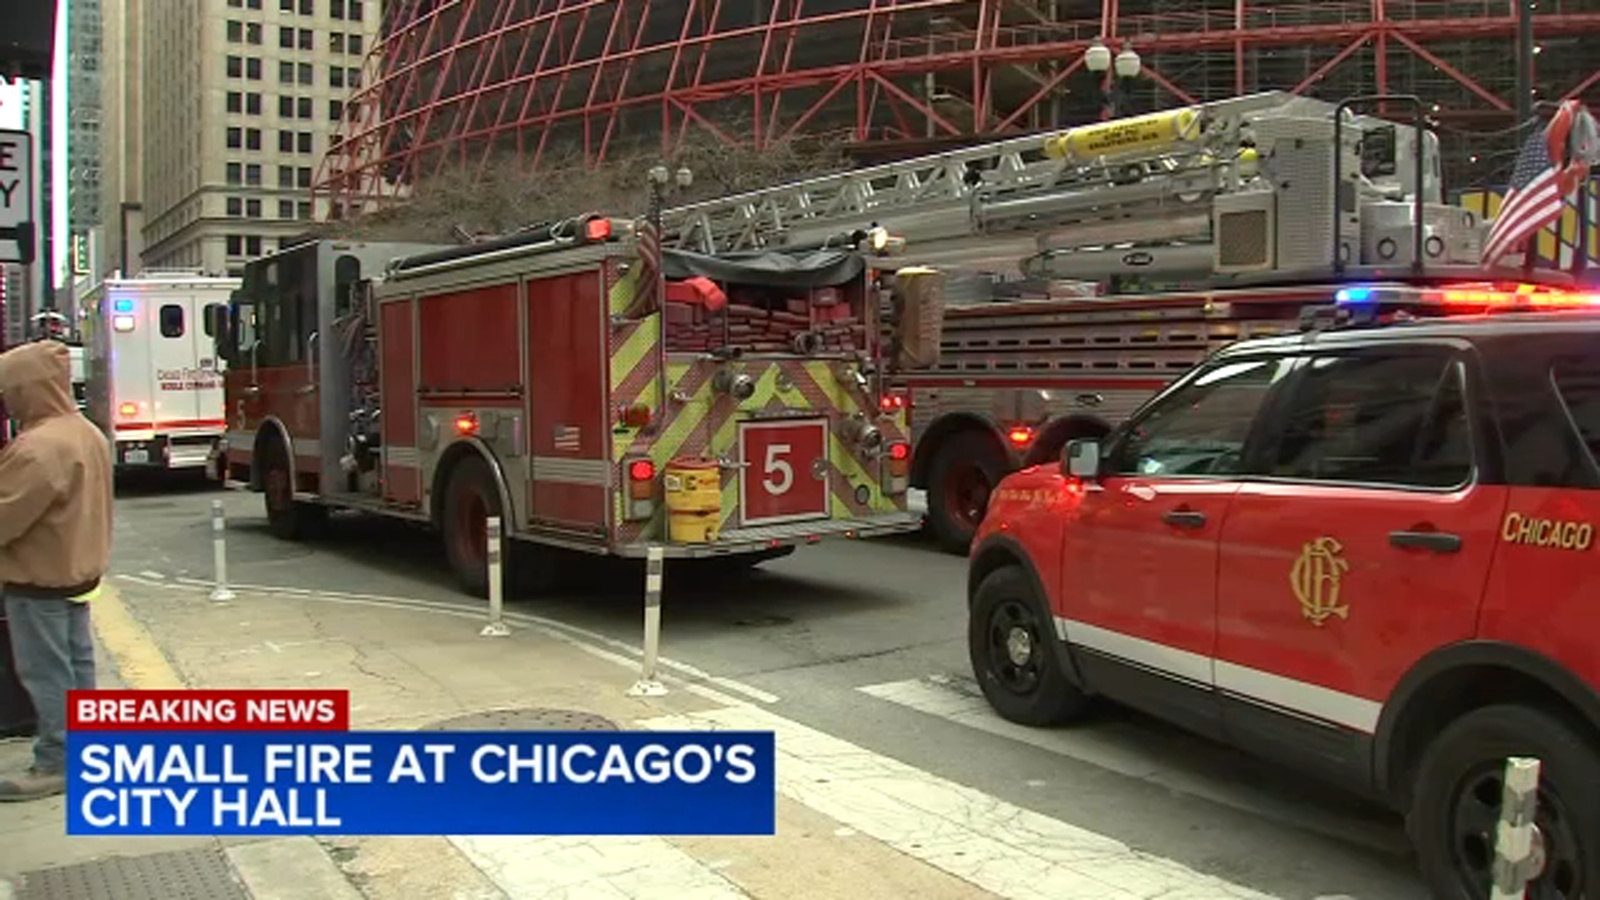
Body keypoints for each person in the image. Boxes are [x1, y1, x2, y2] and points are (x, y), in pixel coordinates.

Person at [0, 340, 113, 802]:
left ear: (26, 388)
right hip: (79, 574)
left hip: (38, 577)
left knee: (47, 673)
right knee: (77, 666)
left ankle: (57, 761)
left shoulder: (37, 449)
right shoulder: (85, 432)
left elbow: (6, 516)